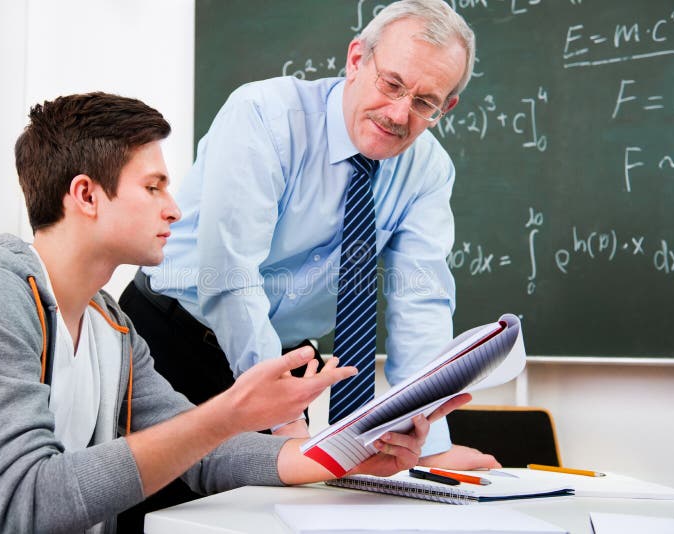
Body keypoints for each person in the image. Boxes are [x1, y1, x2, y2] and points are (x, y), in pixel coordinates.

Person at [0, 92, 470, 533]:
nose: (174, 209)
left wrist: (344, 457)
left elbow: (203, 454)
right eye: (154, 188)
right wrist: (227, 413)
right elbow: (31, 500)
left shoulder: (112, 329)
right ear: (86, 195)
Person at [121, 0, 498, 482]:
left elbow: (420, 302)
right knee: (154, 507)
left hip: (284, 362)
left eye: (425, 103)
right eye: (392, 84)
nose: (399, 114)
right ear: (357, 59)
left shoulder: (428, 171)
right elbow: (231, 274)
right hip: (171, 342)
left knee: (270, 513)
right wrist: (283, 420)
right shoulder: (264, 115)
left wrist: (426, 444)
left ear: (447, 107)